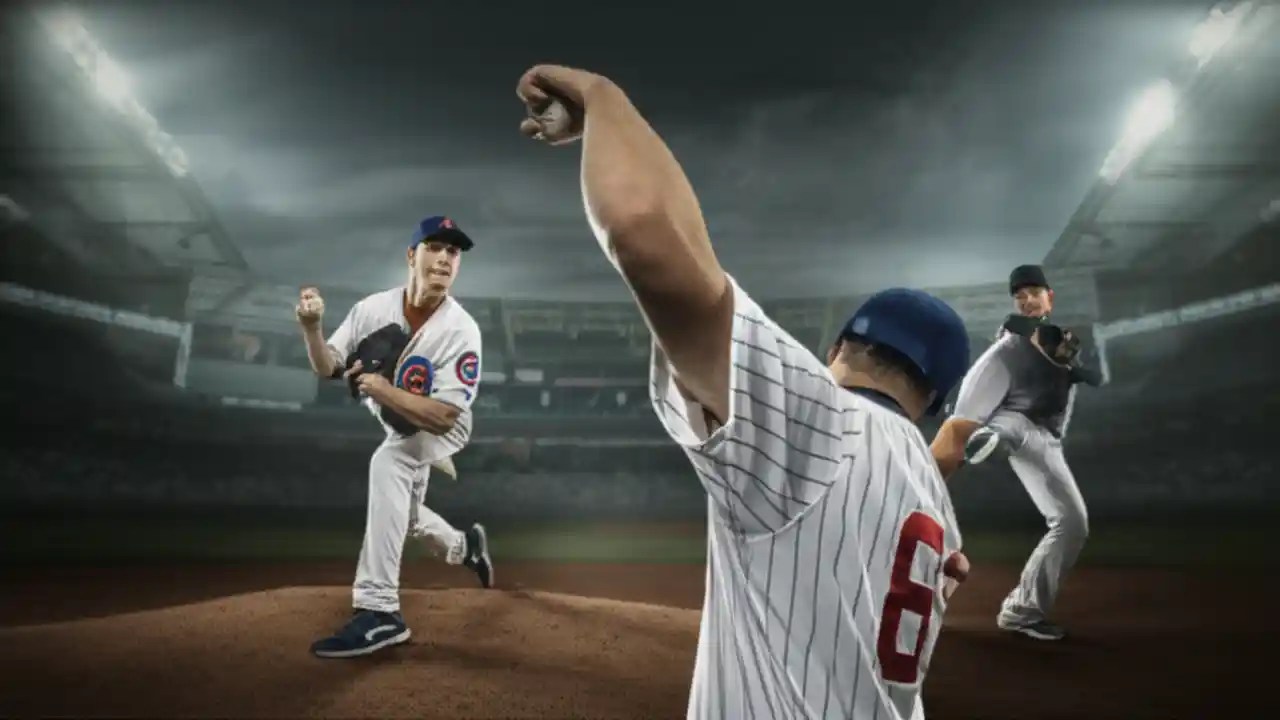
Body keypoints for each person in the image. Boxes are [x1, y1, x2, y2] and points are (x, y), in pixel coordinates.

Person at [518, 64, 972, 720]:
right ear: (932, 400)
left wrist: (603, 99)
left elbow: (642, 230)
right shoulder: (928, 490)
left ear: (836, 351)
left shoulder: (819, 422)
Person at [295, 215, 494, 659]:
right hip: (397, 424)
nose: (444, 257)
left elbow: (444, 417)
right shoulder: (373, 310)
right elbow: (328, 365)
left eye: (453, 251)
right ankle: (466, 547)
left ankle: (380, 609)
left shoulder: (462, 331)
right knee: (405, 515)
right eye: (435, 247)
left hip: (442, 427)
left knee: (390, 462)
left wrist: (384, 389)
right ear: (412, 255)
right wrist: (312, 328)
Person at [930, 264, 1098, 641]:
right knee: (1000, 427)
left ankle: (1022, 611)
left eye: (1032, 293)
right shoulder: (1015, 336)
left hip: (1047, 440)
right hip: (1015, 421)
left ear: (1049, 296)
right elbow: (1015, 327)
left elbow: (1084, 370)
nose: (1025, 301)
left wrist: (1074, 366)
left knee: (1073, 524)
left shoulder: (1061, 348)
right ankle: (990, 436)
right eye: (1019, 296)